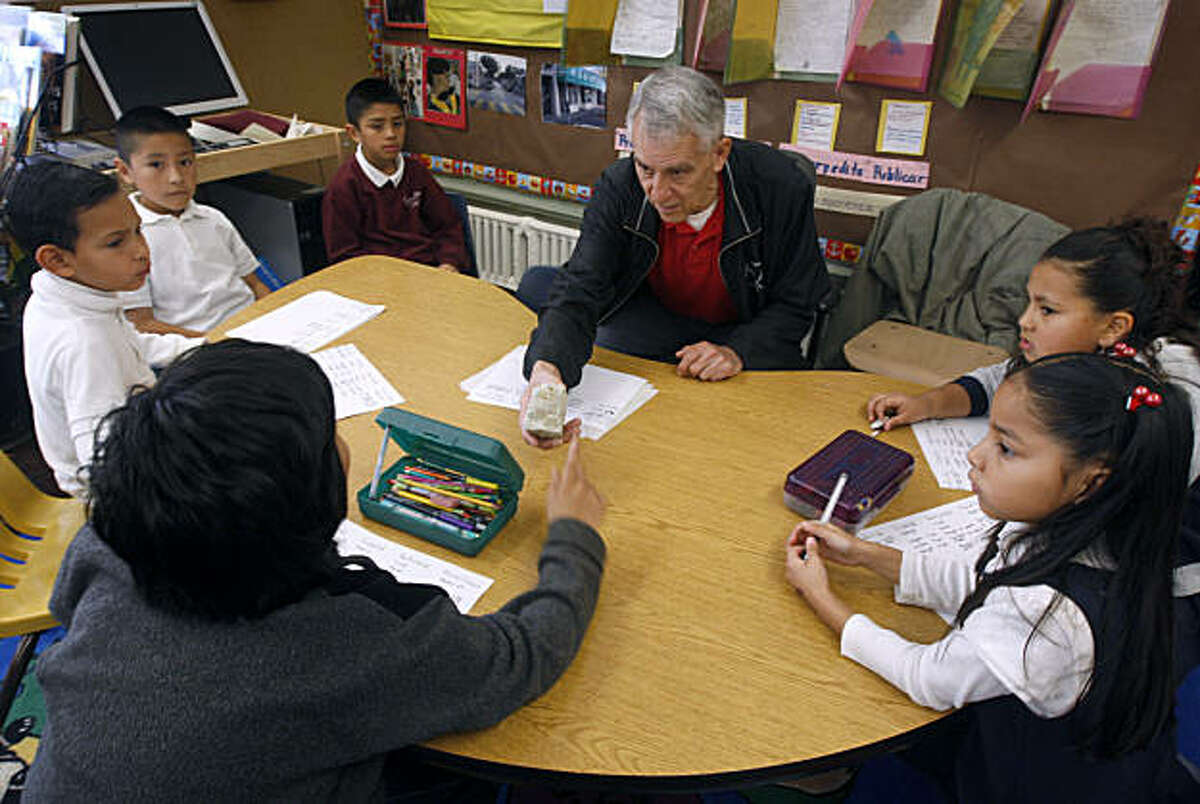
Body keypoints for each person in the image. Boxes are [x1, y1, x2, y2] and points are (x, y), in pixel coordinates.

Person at [23, 339, 607, 801]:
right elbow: (521, 655)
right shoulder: (361, 640)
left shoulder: (107, 541)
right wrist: (573, 535)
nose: (342, 435)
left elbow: (67, 610)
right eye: (330, 431)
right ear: (312, 502)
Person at [787, 353, 1200, 801]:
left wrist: (823, 599)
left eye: (1005, 448)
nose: (975, 455)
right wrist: (868, 555)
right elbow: (987, 581)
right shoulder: (1104, 533)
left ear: (1090, 482)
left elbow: (927, 677)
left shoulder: (1049, 614)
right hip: (1118, 755)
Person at [518, 65, 829, 447]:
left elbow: (798, 303)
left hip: (741, 329)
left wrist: (738, 351)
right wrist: (547, 372)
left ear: (719, 153)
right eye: (645, 168)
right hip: (658, 321)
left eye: (678, 173)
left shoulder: (779, 186)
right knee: (547, 295)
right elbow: (582, 284)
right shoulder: (621, 185)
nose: (658, 192)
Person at [865, 219, 1200, 482]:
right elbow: (1002, 378)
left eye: (1047, 310)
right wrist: (928, 404)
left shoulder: (1163, 398)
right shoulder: (1077, 349)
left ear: (1113, 327)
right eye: (1030, 302)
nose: (1025, 321)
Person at [7, 161, 199, 496]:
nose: (141, 251)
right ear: (58, 260)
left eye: (138, 231)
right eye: (115, 243)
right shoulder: (85, 343)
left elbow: (129, 342)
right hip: (124, 491)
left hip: (135, 432)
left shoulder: (59, 294)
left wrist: (208, 345)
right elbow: (106, 463)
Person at [113, 106, 269, 337]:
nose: (176, 178)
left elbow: (255, 285)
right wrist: (214, 342)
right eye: (156, 165)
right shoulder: (127, 240)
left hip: (251, 328)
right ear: (125, 171)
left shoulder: (214, 219)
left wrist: (274, 315)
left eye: (185, 162)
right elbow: (143, 323)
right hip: (196, 345)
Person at [322, 77, 468, 271]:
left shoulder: (416, 173)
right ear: (354, 133)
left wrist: (449, 263)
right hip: (381, 283)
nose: (391, 134)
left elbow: (448, 227)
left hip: (430, 274)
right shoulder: (344, 187)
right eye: (377, 126)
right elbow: (344, 258)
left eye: (398, 124)